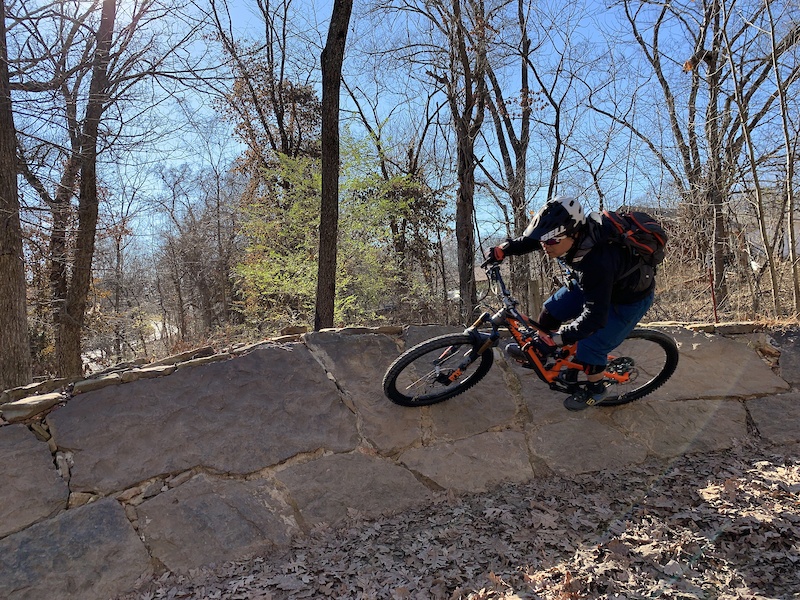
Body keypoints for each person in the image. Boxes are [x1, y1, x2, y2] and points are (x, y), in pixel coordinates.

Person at [484, 195, 656, 411]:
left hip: (626, 300)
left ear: (573, 234)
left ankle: (596, 390)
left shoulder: (598, 261)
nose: (545, 247)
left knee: (590, 346)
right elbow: (537, 238)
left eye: (552, 242)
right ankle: (543, 352)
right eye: (544, 241)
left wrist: (558, 338)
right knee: (551, 311)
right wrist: (504, 248)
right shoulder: (563, 235)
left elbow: (594, 317)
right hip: (592, 285)